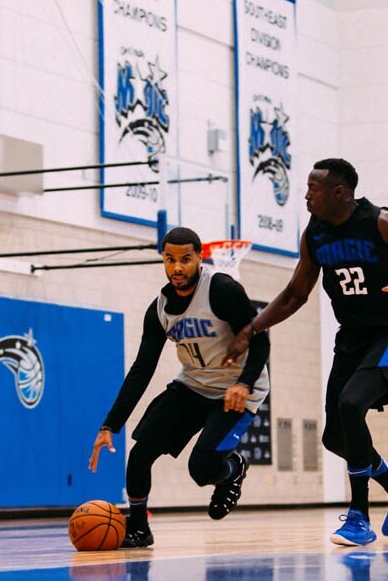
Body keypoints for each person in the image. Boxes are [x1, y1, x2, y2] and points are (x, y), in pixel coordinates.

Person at [226, 158, 388, 546]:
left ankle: (358, 518)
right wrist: (252, 328)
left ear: (339, 192)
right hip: (351, 338)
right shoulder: (314, 235)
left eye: (312, 189)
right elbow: (296, 294)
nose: (305, 195)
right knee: (336, 438)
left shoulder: (383, 222)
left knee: (352, 406)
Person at [88, 226, 270, 548]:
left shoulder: (222, 291)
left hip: (237, 390)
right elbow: (142, 370)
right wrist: (109, 425)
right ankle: (139, 527)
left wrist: (243, 382)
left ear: (199, 257)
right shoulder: (158, 309)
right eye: (170, 259)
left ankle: (232, 468)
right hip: (193, 384)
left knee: (201, 470)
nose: (177, 267)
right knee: (141, 451)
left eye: (185, 259)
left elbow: (261, 340)